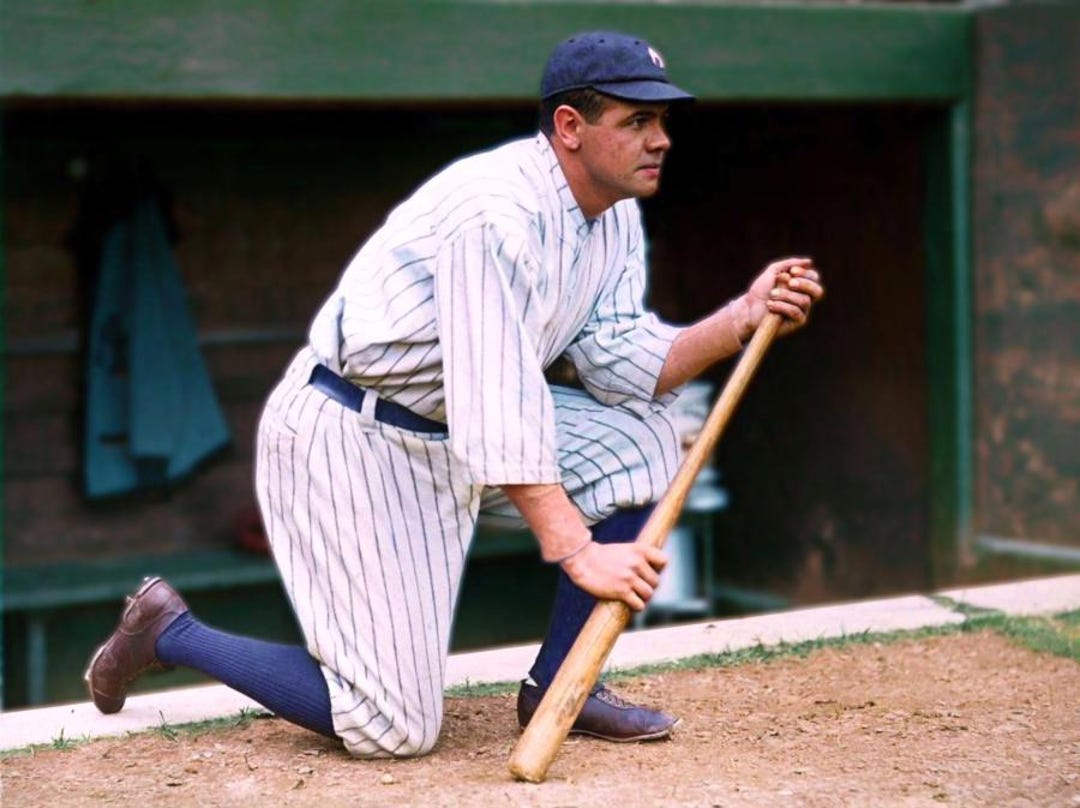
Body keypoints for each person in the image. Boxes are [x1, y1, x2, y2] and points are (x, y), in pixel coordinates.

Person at [85, 30, 824, 759]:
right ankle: (170, 632)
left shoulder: (614, 215)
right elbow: (495, 405)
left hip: (452, 433)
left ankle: (561, 686)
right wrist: (576, 550)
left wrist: (740, 318)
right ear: (570, 127)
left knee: (642, 440)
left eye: (661, 119)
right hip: (356, 435)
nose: (660, 138)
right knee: (392, 726)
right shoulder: (496, 212)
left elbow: (620, 361)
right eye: (637, 120)